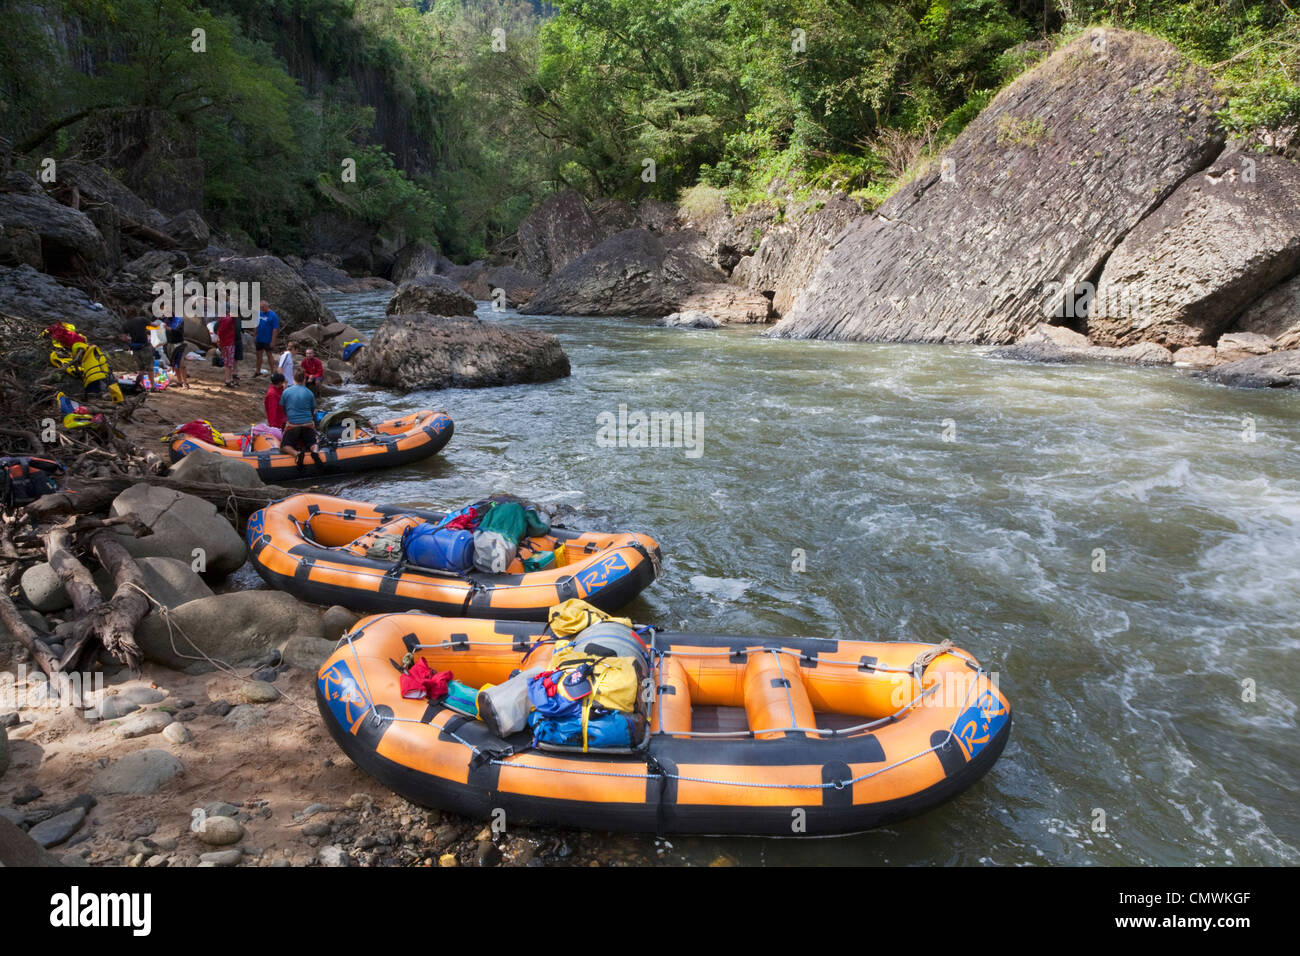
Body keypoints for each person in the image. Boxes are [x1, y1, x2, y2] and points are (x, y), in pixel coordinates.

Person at [279, 369, 323, 471]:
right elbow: (313, 410)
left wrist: (290, 418)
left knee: (284, 446)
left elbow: (283, 408)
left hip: (293, 425)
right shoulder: (309, 393)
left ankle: (297, 454)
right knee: (313, 442)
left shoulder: (286, 392)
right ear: (304, 379)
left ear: (293, 379)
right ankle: (315, 452)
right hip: (307, 424)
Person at [120, 309, 156, 391]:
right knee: (149, 367)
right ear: (136, 313)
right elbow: (154, 325)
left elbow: (123, 338)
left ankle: (142, 385)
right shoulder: (142, 319)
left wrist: (130, 339)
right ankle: (153, 386)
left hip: (135, 348)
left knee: (141, 368)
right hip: (145, 347)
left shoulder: (126, 324)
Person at [253, 300, 280, 376]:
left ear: (266, 306)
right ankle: (257, 371)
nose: (261, 309)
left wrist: (273, 341)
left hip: (268, 339)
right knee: (258, 355)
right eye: (260, 307)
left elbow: (275, 329)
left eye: (262, 307)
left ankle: (272, 372)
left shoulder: (273, 315)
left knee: (269, 355)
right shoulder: (259, 313)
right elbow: (256, 324)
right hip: (259, 338)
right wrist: (255, 335)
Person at [165, 313, 190, 388]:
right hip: (170, 344)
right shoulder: (166, 320)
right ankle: (179, 381)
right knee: (174, 364)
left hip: (179, 344)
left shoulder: (179, 320)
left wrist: (168, 328)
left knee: (181, 364)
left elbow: (178, 331)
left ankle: (185, 383)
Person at [216, 311, 239, 387]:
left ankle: (229, 378)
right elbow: (221, 331)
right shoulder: (228, 319)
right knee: (228, 363)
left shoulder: (230, 319)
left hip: (227, 342)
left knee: (228, 362)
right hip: (227, 343)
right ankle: (228, 380)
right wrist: (221, 343)